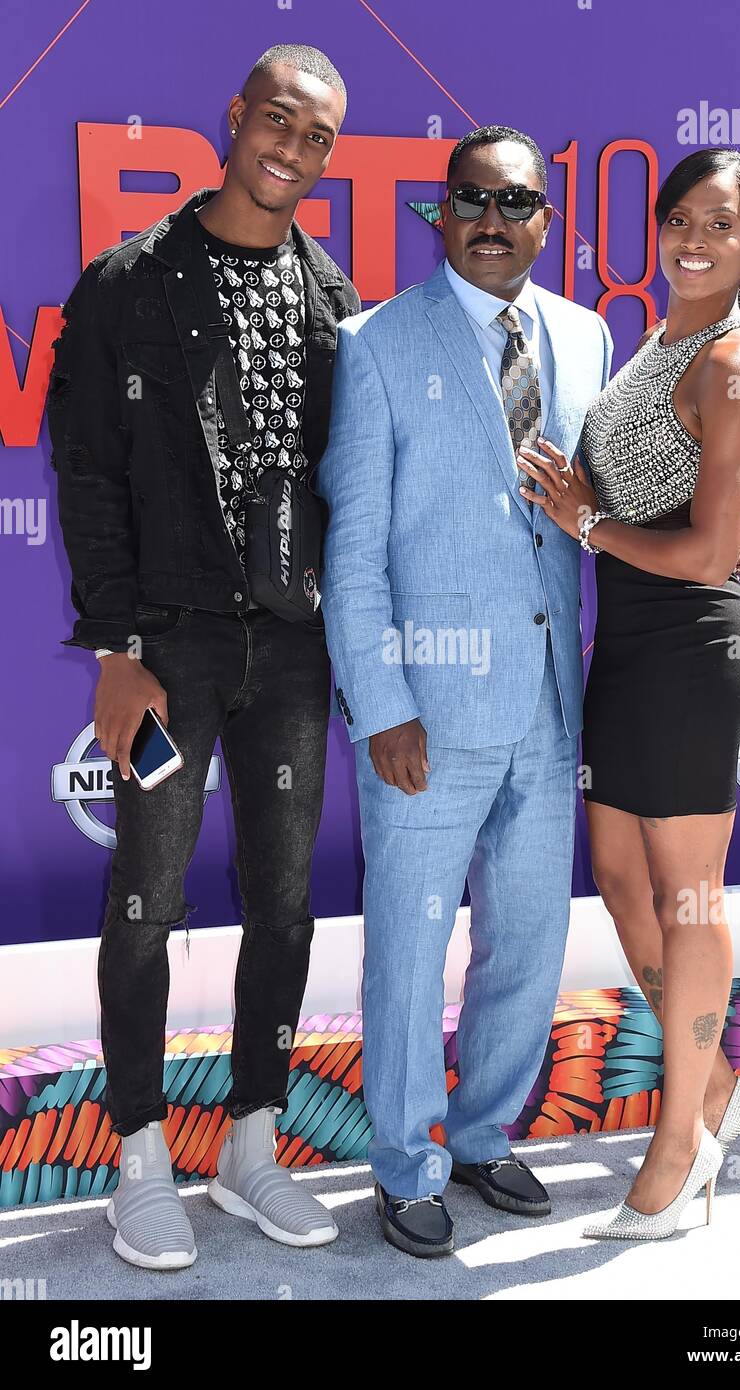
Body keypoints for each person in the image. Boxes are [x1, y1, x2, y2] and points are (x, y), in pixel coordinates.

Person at [48, 44, 359, 1269]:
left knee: (282, 903)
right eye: (277, 120)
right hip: (167, 651)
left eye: (318, 135)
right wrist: (119, 647)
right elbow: (87, 476)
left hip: (289, 653)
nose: (292, 147)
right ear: (234, 120)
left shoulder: (336, 298)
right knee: (148, 899)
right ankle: (137, 1154)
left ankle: (249, 1141)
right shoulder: (127, 282)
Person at [316, 124, 615, 1258]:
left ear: (547, 218)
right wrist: (382, 705)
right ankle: (404, 1163)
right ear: (440, 212)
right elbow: (353, 554)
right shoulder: (377, 343)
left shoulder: (585, 338)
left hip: (549, 702)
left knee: (527, 939)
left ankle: (486, 1131)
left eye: (516, 202)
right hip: (425, 719)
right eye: (471, 200)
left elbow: (604, 500)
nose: (493, 221)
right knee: (408, 940)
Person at [516, 147, 740, 1239]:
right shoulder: (655, 340)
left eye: (719, 223)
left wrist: (583, 523)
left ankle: (680, 1144)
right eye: (678, 219)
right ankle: (715, 1092)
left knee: (690, 894)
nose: (693, 239)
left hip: (688, 642)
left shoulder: (732, 360)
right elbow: (623, 496)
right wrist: (585, 504)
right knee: (621, 879)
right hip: (623, 640)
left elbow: (712, 549)